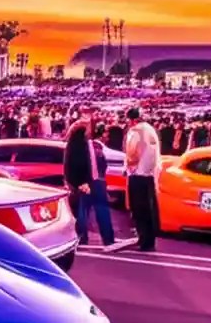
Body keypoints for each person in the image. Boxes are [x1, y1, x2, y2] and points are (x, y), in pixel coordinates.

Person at [63, 112, 117, 249]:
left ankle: (82, 238)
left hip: (87, 181)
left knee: (83, 211)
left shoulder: (76, 145)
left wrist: (78, 181)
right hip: (96, 181)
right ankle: (108, 239)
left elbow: (73, 164)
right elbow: (101, 164)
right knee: (100, 210)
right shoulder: (93, 145)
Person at [124, 107, 161, 252]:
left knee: (139, 210)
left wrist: (129, 168)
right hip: (150, 175)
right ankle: (149, 240)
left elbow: (132, 154)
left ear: (131, 119)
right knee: (149, 209)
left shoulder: (135, 131)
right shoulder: (150, 129)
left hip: (137, 175)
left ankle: (143, 239)